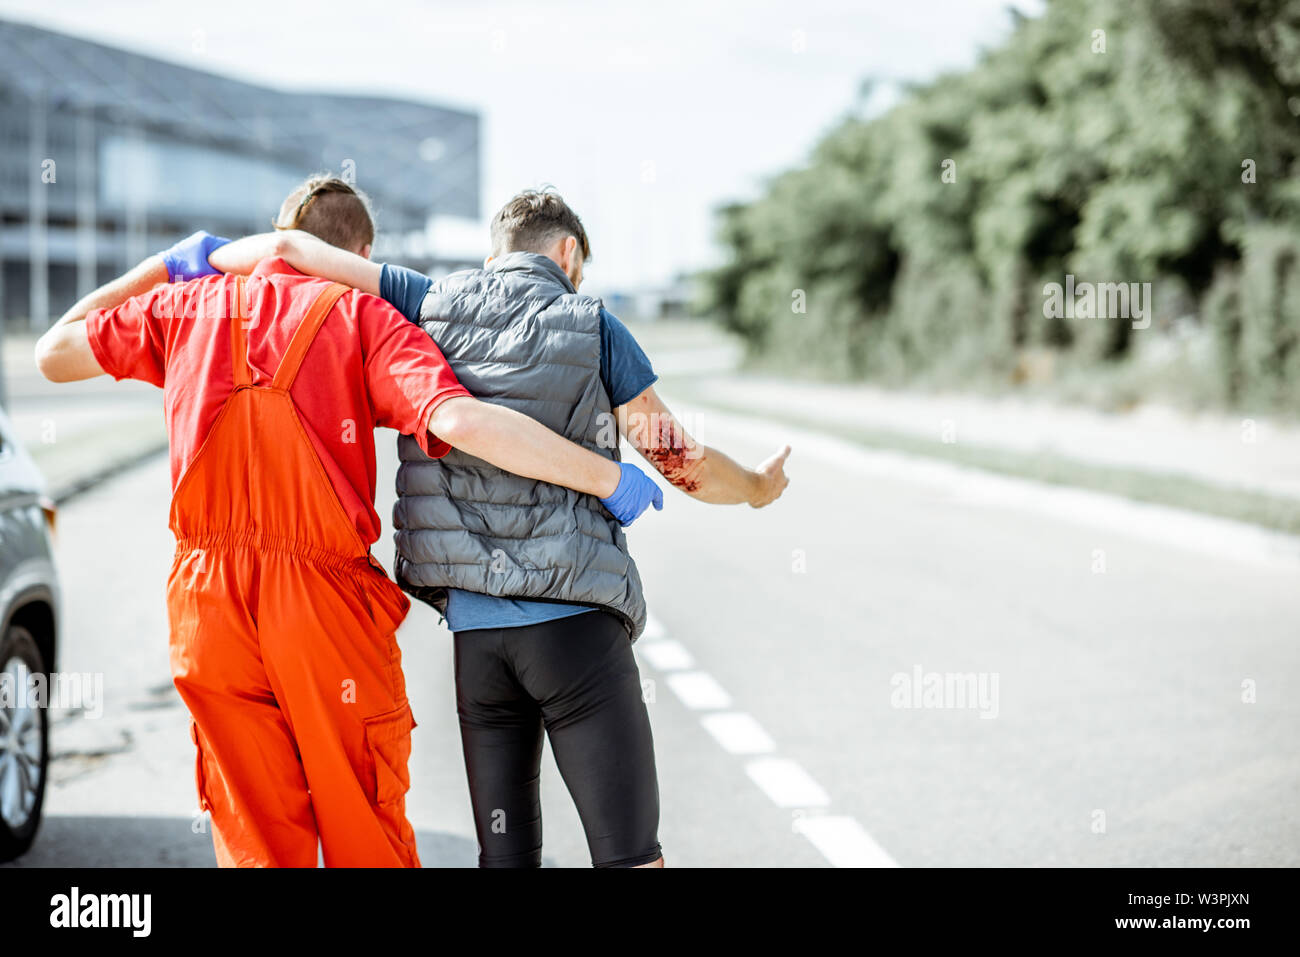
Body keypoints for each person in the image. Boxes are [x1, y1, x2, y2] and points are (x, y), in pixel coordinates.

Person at [32, 177, 662, 868]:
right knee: (364, 825)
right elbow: (459, 420)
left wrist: (166, 266)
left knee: (256, 835)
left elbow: (53, 352)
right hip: (318, 603)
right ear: (359, 251)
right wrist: (609, 477)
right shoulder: (362, 317)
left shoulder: (183, 305)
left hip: (206, 606)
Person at [207, 186, 791, 868]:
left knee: (507, 859)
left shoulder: (428, 300)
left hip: (479, 645)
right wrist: (755, 486)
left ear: (494, 255)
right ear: (568, 253)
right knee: (629, 855)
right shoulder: (591, 322)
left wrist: (195, 260)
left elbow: (286, 248)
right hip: (576, 632)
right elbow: (680, 461)